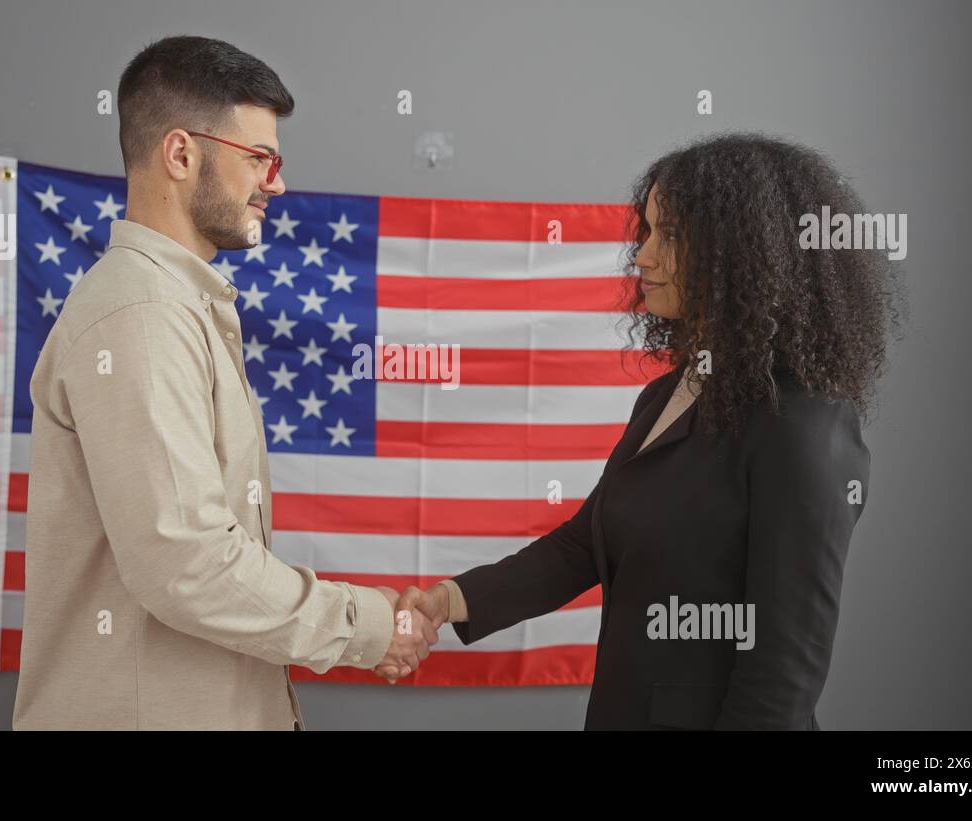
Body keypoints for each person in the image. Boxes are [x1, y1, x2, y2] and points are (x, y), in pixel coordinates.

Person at [383, 133, 904, 730]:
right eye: (647, 232)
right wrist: (448, 601)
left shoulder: (806, 424)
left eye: (671, 236)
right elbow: (585, 544)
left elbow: (786, 669)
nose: (643, 256)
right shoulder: (666, 394)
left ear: (744, 253)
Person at [13, 35, 435, 731]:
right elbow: (187, 563)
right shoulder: (141, 316)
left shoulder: (177, 307)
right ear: (180, 155)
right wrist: (366, 624)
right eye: (259, 158)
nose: (277, 182)